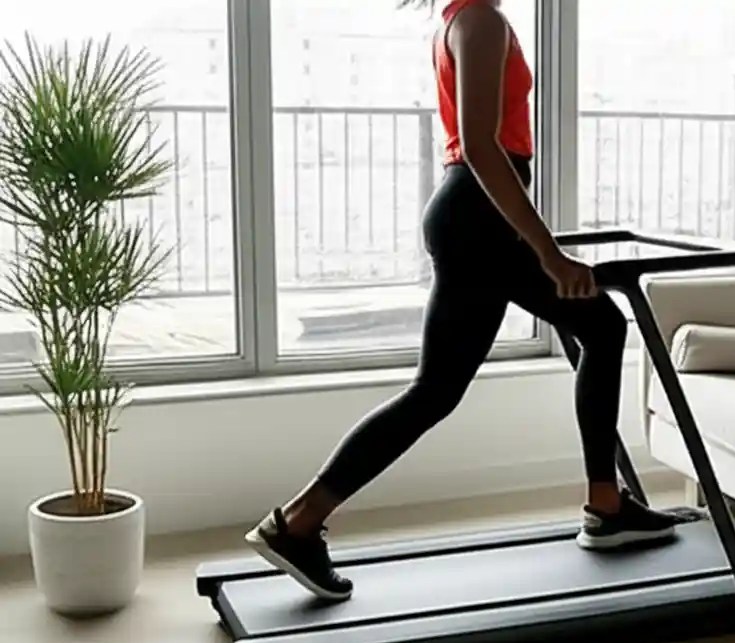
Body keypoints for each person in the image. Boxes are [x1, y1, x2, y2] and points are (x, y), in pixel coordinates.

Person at [245, 0, 681, 602]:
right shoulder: (479, 20)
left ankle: (297, 522)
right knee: (601, 328)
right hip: (477, 217)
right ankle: (604, 507)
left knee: (441, 390)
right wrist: (548, 252)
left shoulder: (461, 18)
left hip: (472, 217)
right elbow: (480, 147)